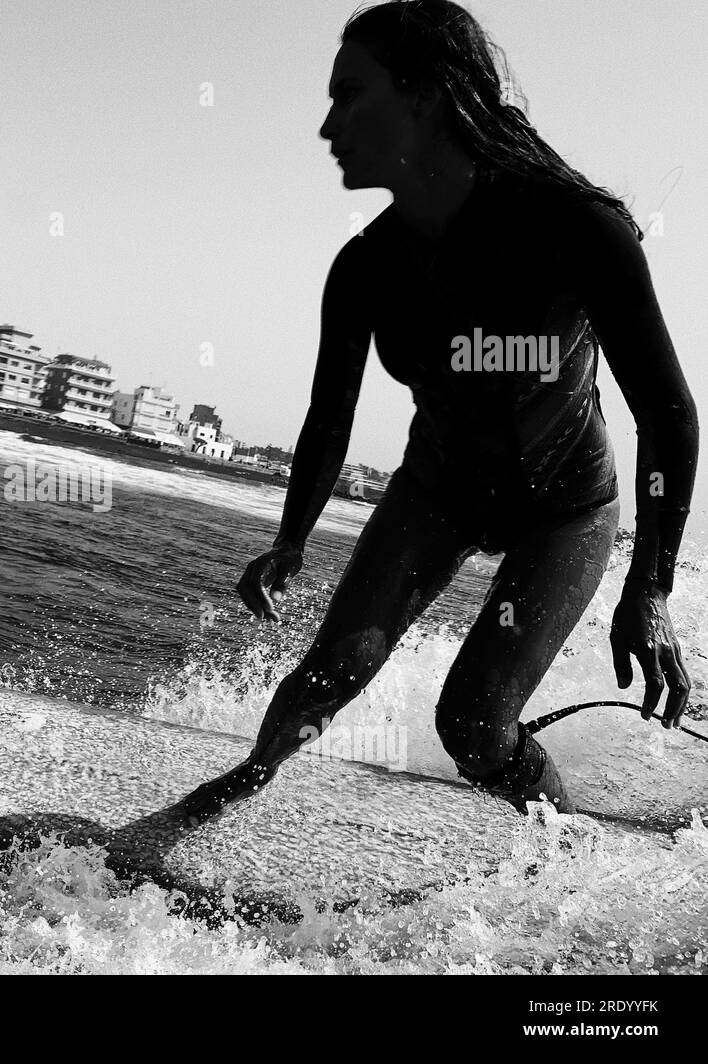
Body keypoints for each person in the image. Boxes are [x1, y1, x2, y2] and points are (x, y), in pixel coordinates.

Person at [169, 0, 698, 825]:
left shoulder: (577, 231)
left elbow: (667, 414)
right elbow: (327, 418)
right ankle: (218, 809)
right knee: (326, 673)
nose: (328, 123)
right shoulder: (366, 267)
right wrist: (291, 538)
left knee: (475, 724)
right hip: (439, 491)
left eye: (350, 94)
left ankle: (562, 853)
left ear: (423, 95)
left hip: (565, 509)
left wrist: (651, 587)